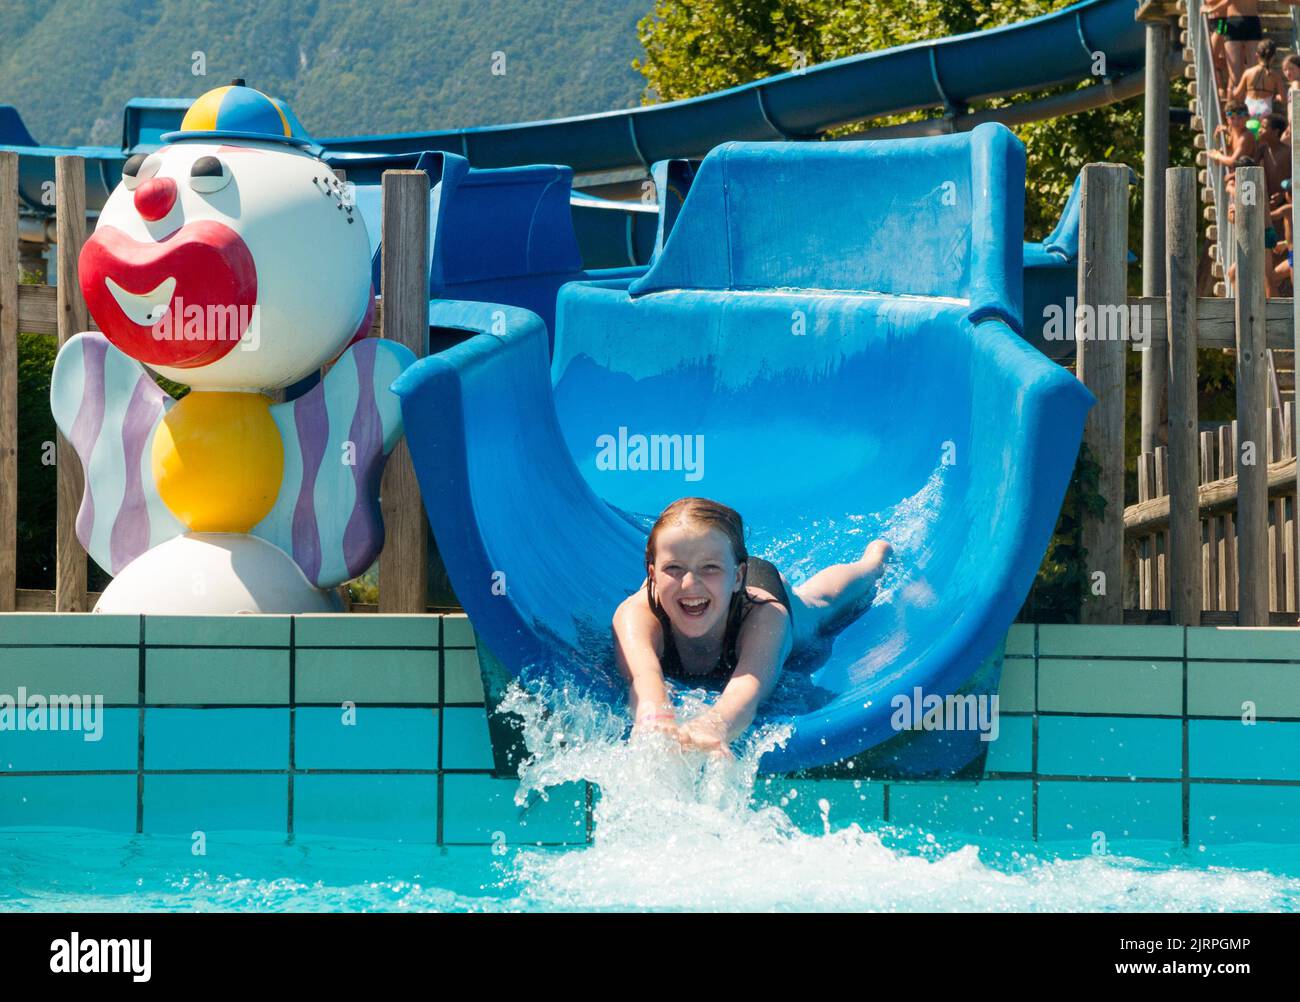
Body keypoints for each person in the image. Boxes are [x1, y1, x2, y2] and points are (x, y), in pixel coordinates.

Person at [613, 497, 891, 756]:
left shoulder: (766, 617)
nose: (689, 583)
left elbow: (748, 686)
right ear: (653, 574)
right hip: (721, 581)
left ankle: (872, 563)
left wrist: (716, 724)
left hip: (756, 595)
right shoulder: (636, 615)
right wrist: (653, 714)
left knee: (817, 608)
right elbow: (644, 677)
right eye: (673, 568)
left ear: (738, 577)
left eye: (708, 567)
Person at [1204, 0, 1262, 101]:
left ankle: (1228, 91)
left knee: (1216, 58)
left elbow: (1226, 2)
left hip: (1223, 23)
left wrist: (1210, 8)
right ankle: (1222, 87)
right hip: (1220, 22)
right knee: (1212, 58)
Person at [1234, 38, 1286, 117]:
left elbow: (1237, 94)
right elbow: (1284, 99)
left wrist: (1233, 89)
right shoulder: (1275, 75)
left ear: (1256, 55)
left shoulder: (1248, 72)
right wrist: (1277, 97)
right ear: (1273, 57)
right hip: (1266, 110)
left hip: (1249, 109)